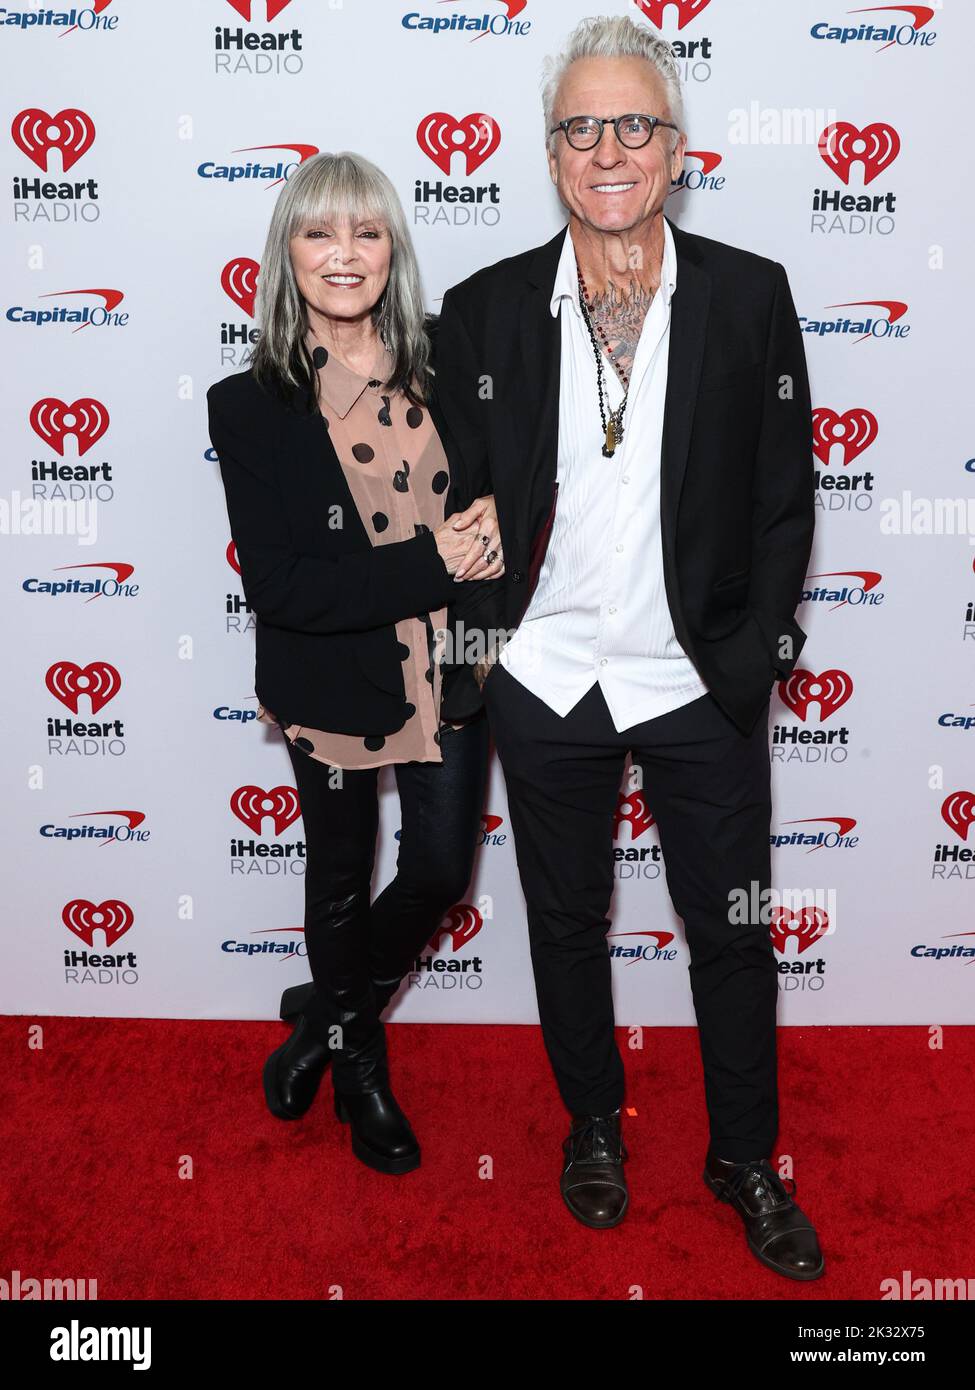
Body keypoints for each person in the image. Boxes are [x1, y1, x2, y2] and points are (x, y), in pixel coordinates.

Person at [435, 15, 823, 1278]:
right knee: (563, 916)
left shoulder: (750, 295)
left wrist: (754, 660)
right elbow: (447, 493)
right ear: (552, 156)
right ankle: (594, 1121)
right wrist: (460, 534)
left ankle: (744, 1156)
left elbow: (783, 499)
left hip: (693, 676)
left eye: (635, 125)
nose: (610, 150)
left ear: (677, 149)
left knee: (736, 927)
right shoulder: (483, 310)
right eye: (582, 128)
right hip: (544, 673)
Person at [207, 151, 502, 1175]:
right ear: (286, 255)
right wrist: (432, 561)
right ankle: (359, 1059)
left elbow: (495, 489)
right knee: (337, 877)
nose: (345, 254)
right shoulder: (249, 408)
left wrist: (491, 532)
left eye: (366, 232)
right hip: (331, 679)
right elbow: (285, 586)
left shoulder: (444, 360)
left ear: (392, 249)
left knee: (436, 868)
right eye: (320, 232)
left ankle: (320, 1020)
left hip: (452, 668)